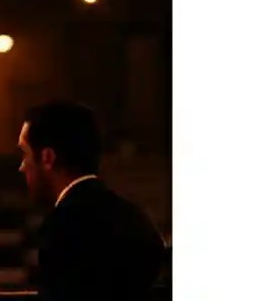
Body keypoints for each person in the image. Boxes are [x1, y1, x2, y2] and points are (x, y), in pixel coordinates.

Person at [18, 101, 166, 301]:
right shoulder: (137, 219)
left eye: (25, 153)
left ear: (47, 157)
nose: (22, 166)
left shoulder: (62, 226)